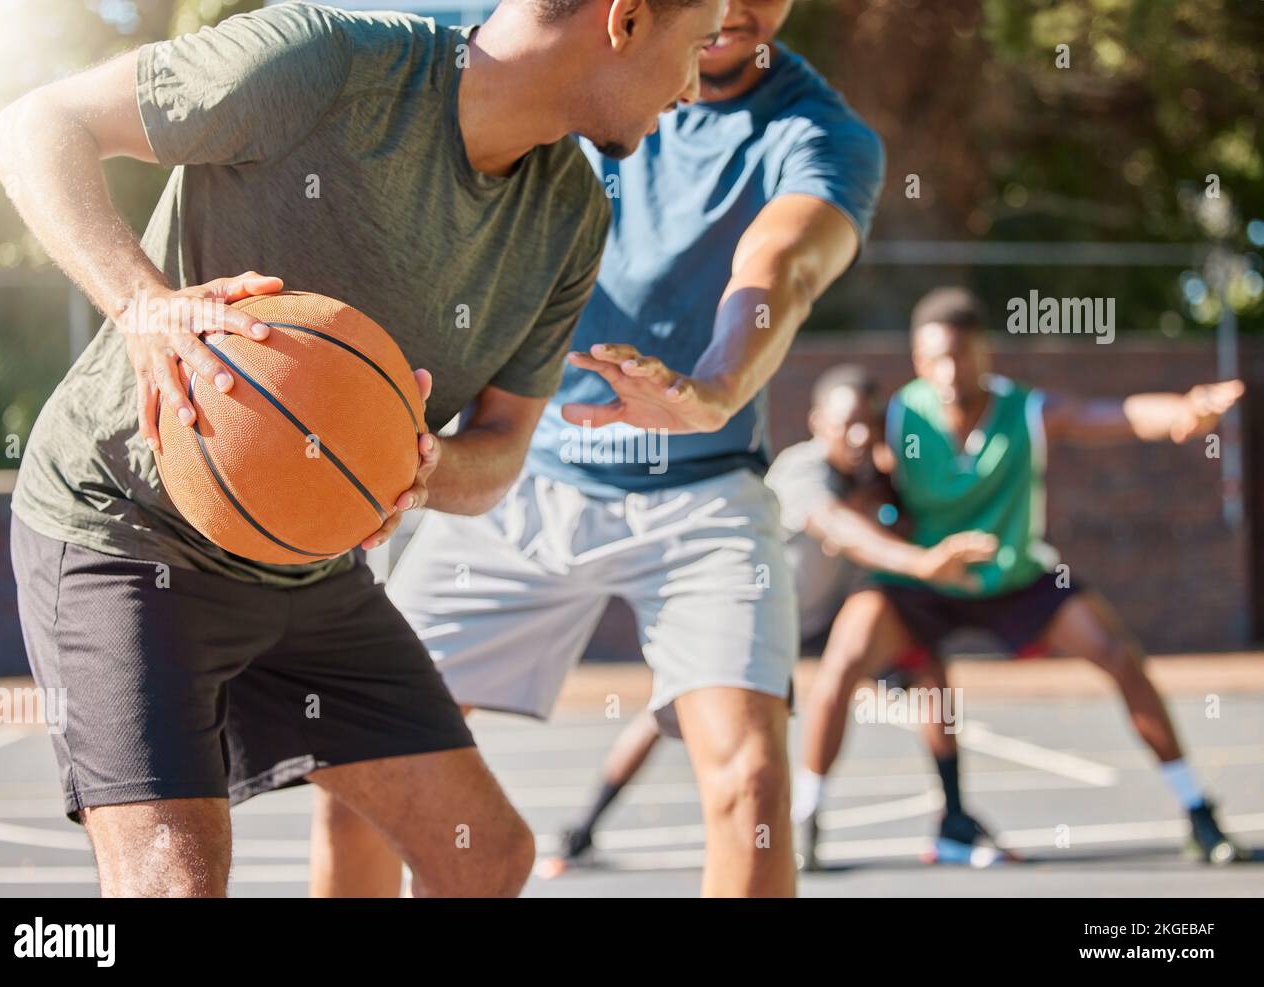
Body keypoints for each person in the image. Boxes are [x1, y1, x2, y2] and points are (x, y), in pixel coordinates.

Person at [0, 0, 725, 897]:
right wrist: (142, 302)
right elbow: (37, 124)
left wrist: (420, 470)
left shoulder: (571, 216)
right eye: (694, 47)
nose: (695, 86)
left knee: (485, 854)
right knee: (172, 883)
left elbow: (498, 451)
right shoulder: (325, 62)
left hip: (307, 561)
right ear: (625, 19)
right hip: (129, 530)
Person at [313, 0, 884, 898]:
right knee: (365, 762)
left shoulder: (820, 133)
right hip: (519, 468)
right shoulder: (555, 36)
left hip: (703, 490)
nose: (733, 8)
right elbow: (345, 42)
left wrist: (716, 388)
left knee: (751, 783)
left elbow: (781, 266)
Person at [793, 286, 1247, 869]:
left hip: (1015, 577)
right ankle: (806, 816)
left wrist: (1181, 413)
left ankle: (1198, 814)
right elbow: (851, 462)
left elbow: (1109, 415)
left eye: (958, 355)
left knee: (1116, 654)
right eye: (932, 358)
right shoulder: (900, 418)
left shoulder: (1027, 412)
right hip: (925, 580)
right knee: (843, 657)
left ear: (982, 353)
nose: (947, 371)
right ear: (916, 360)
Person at [537, 365, 996, 875]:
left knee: (927, 670)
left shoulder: (877, 478)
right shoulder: (805, 471)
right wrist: (920, 561)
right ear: (820, 423)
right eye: (849, 425)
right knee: (665, 712)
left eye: (870, 424)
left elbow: (908, 512)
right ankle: (583, 829)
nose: (861, 437)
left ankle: (953, 821)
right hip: (757, 617)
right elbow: (838, 527)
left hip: (824, 621)